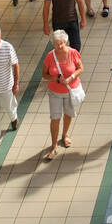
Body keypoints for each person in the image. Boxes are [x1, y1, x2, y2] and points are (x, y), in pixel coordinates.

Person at [42, 28, 83, 160]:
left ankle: (64, 135)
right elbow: (44, 74)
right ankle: (53, 146)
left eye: (61, 43)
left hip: (70, 91)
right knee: (55, 118)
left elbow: (80, 68)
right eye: (56, 43)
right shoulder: (50, 56)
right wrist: (55, 78)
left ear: (65, 42)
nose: (59, 46)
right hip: (55, 92)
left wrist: (70, 78)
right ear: (53, 43)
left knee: (68, 114)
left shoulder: (73, 53)